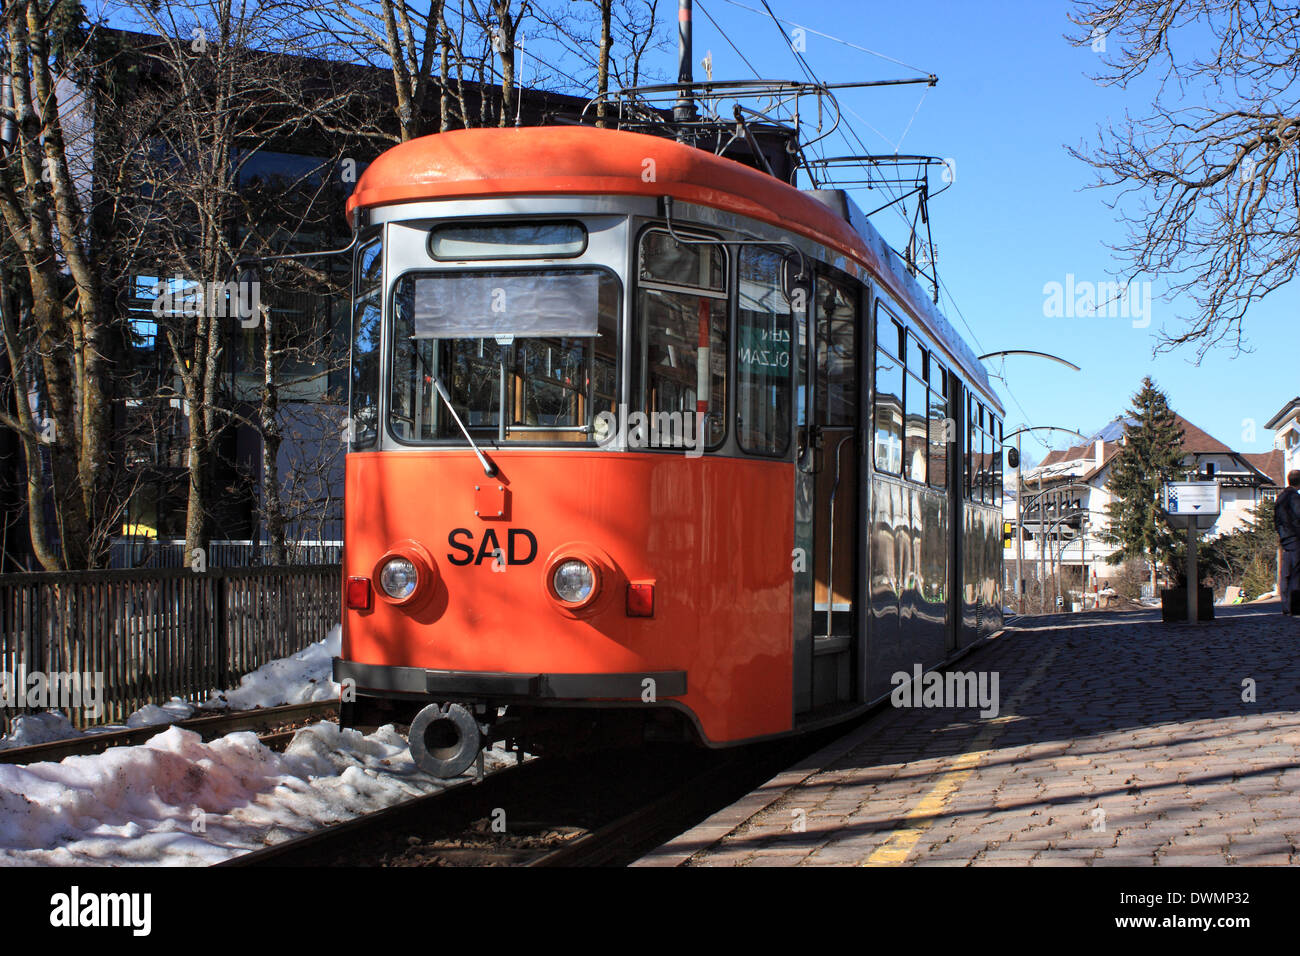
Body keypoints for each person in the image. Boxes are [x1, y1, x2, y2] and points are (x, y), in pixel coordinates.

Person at [1274, 470, 1300, 615]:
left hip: (1285, 538)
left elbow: (1276, 521)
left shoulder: (1281, 497)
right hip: (1295, 537)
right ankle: (1295, 605)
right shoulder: (1294, 498)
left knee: (1286, 572)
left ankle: (1286, 604)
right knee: (1296, 572)